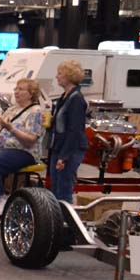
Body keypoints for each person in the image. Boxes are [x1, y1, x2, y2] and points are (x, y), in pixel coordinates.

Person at [0, 78, 46, 217]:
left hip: (23, 152)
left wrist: (11, 129)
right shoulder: (11, 110)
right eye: (16, 89)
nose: (16, 92)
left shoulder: (36, 112)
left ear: (31, 93)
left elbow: (31, 140)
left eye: (20, 89)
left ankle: (0, 197)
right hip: (1, 151)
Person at [48, 59, 88, 203]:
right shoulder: (64, 97)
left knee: (63, 189)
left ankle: (65, 216)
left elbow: (74, 130)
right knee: (55, 188)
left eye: (60, 74)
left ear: (69, 76)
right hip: (58, 148)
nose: (57, 77)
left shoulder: (76, 99)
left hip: (70, 150)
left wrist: (64, 156)